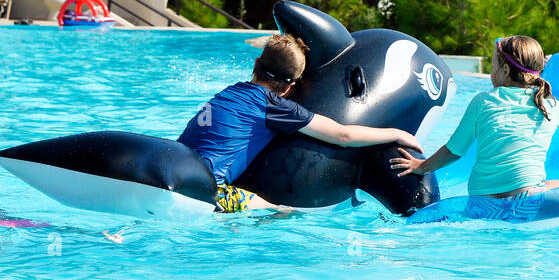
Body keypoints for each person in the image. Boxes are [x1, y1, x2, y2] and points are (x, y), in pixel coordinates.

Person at [177, 33, 423, 212]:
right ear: (289, 87)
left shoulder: (229, 92)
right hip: (206, 193)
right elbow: (342, 136)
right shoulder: (273, 106)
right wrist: (396, 133)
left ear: (255, 64)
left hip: (171, 168)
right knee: (282, 210)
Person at [389, 36, 559, 197]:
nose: (493, 72)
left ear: (504, 70)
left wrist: (422, 166)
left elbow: (454, 150)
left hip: (481, 198)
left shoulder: (482, 101)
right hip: (523, 196)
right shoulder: (547, 105)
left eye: (493, 67)